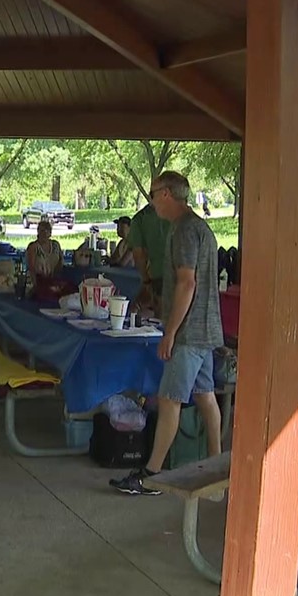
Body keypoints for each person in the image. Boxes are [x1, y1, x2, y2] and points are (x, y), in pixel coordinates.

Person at [112, 171, 224, 496]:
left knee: (169, 399)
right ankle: (217, 464)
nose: (150, 202)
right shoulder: (198, 227)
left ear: (166, 194)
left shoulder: (186, 230)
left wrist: (170, 332)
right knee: (205, 396)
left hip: (189, 332)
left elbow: (187, 283)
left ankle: (152, 475)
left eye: (152, 194)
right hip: (206, 327)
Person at [129, 202, 171, 312]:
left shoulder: (140, 219)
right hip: (182, 276)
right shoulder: (180, 215)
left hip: (157, 278)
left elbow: (138, 254)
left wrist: (146, 281)